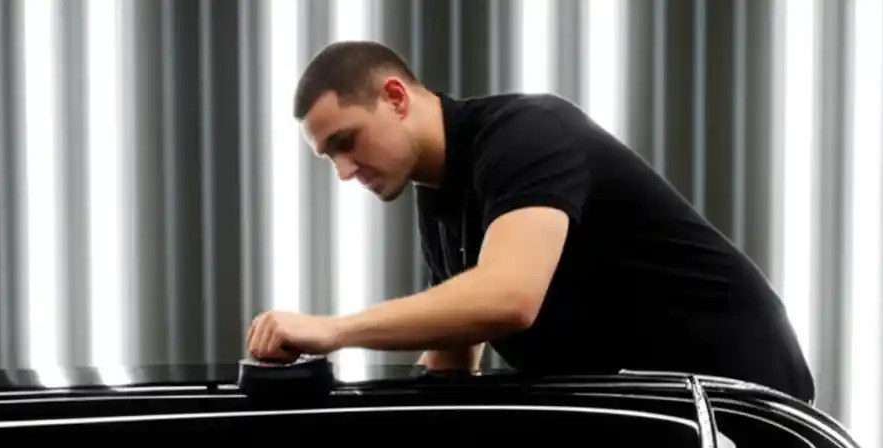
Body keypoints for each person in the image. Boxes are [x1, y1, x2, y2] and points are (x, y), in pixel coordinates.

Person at [245, 40, 815, 401]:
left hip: (739, 399)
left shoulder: (524, 134)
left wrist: (334, 331)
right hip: (651, 412)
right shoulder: (438, 193)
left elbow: (509, 297)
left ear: (395, 97)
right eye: (329, 158)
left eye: (347, 142)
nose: (344, 171)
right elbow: (455, 347)